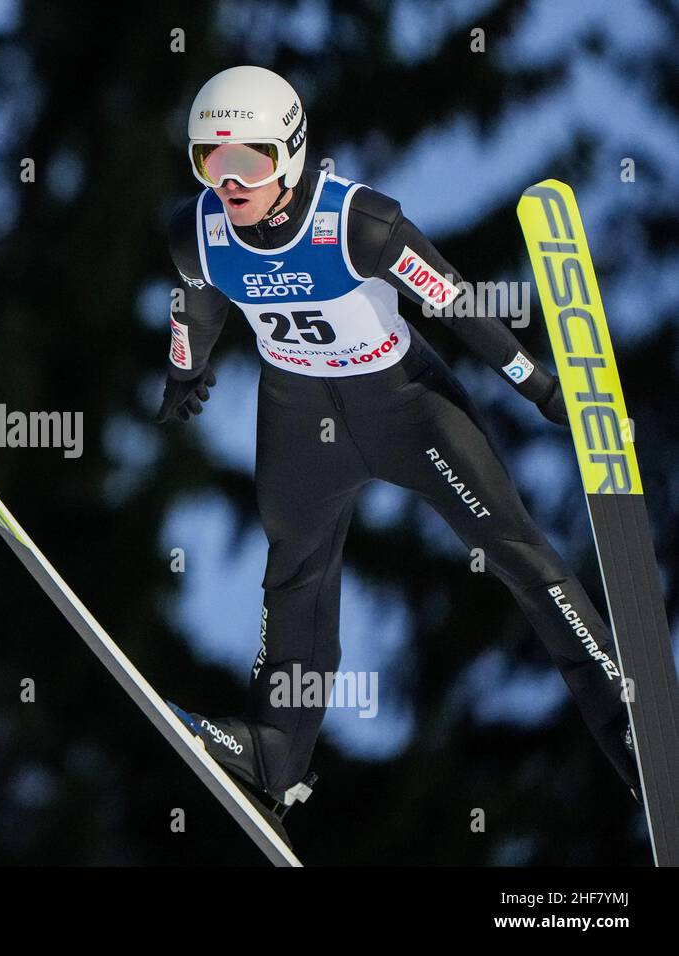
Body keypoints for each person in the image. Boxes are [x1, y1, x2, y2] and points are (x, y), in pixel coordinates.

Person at [158, 65, 641, 822]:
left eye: (245, 160)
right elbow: (197, 299)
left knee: (515, 550)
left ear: (288, 153)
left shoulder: (359, 223)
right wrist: (184, 371)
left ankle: (628, 723)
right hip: (296, 415)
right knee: (295, 575)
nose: (227, 181)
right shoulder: (201, 231)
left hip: (406, 409)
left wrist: (538, 385)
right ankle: (273, 752)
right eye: (208, 162)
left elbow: (454, 301)